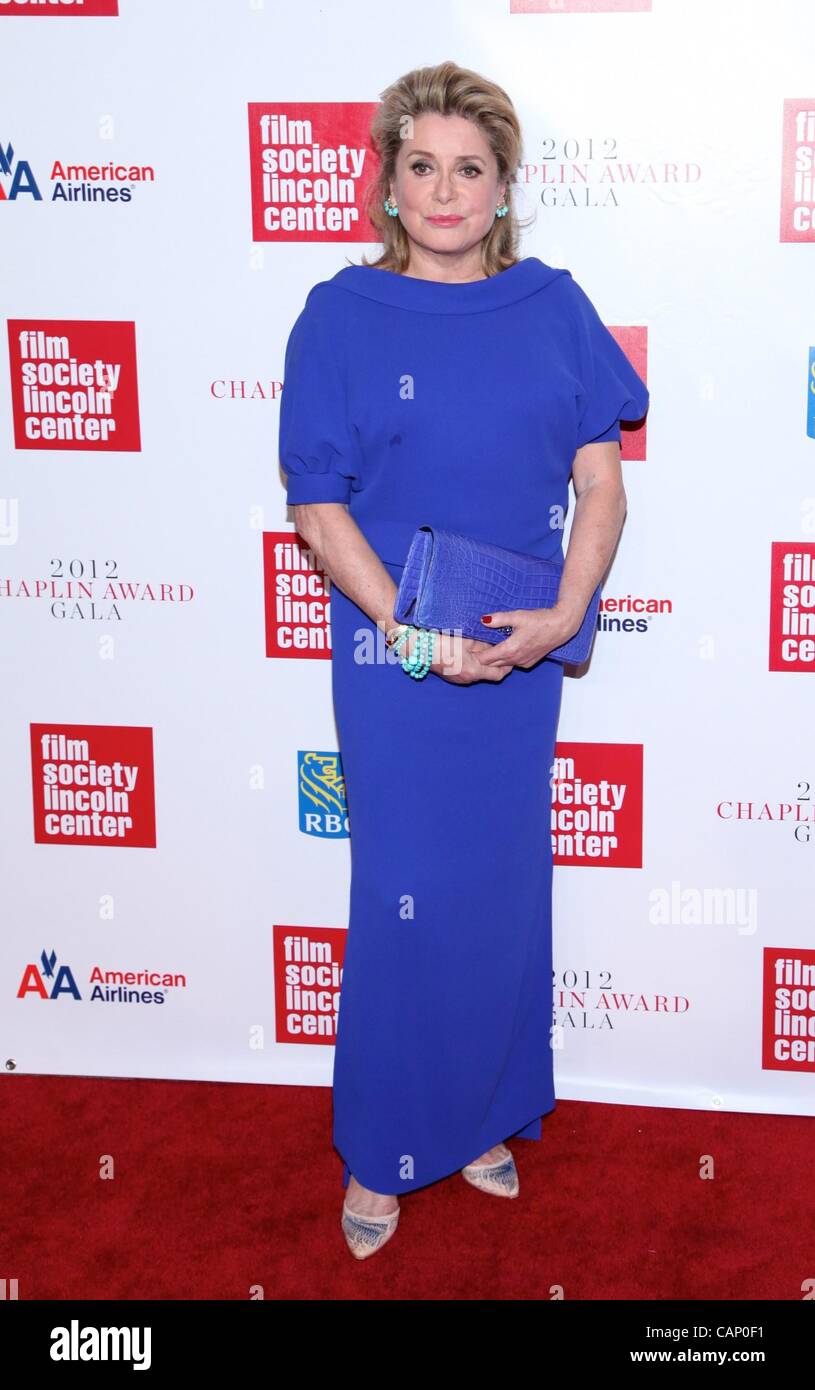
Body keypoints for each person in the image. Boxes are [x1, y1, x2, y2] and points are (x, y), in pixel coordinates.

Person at [278, 60, 649, 1260]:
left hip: (523, 652)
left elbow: (600, 480)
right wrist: (405, 628)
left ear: (502, 187)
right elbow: (317, 506)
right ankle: (384, 1142)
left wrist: (566, 612)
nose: (444, 190)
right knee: (400, 898)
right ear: (388, 182)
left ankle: (483, 1114)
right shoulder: (337, 313)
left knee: (497, 891)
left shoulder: (552, 307)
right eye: (420, 165)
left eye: (469, 168)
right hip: (394, 663)